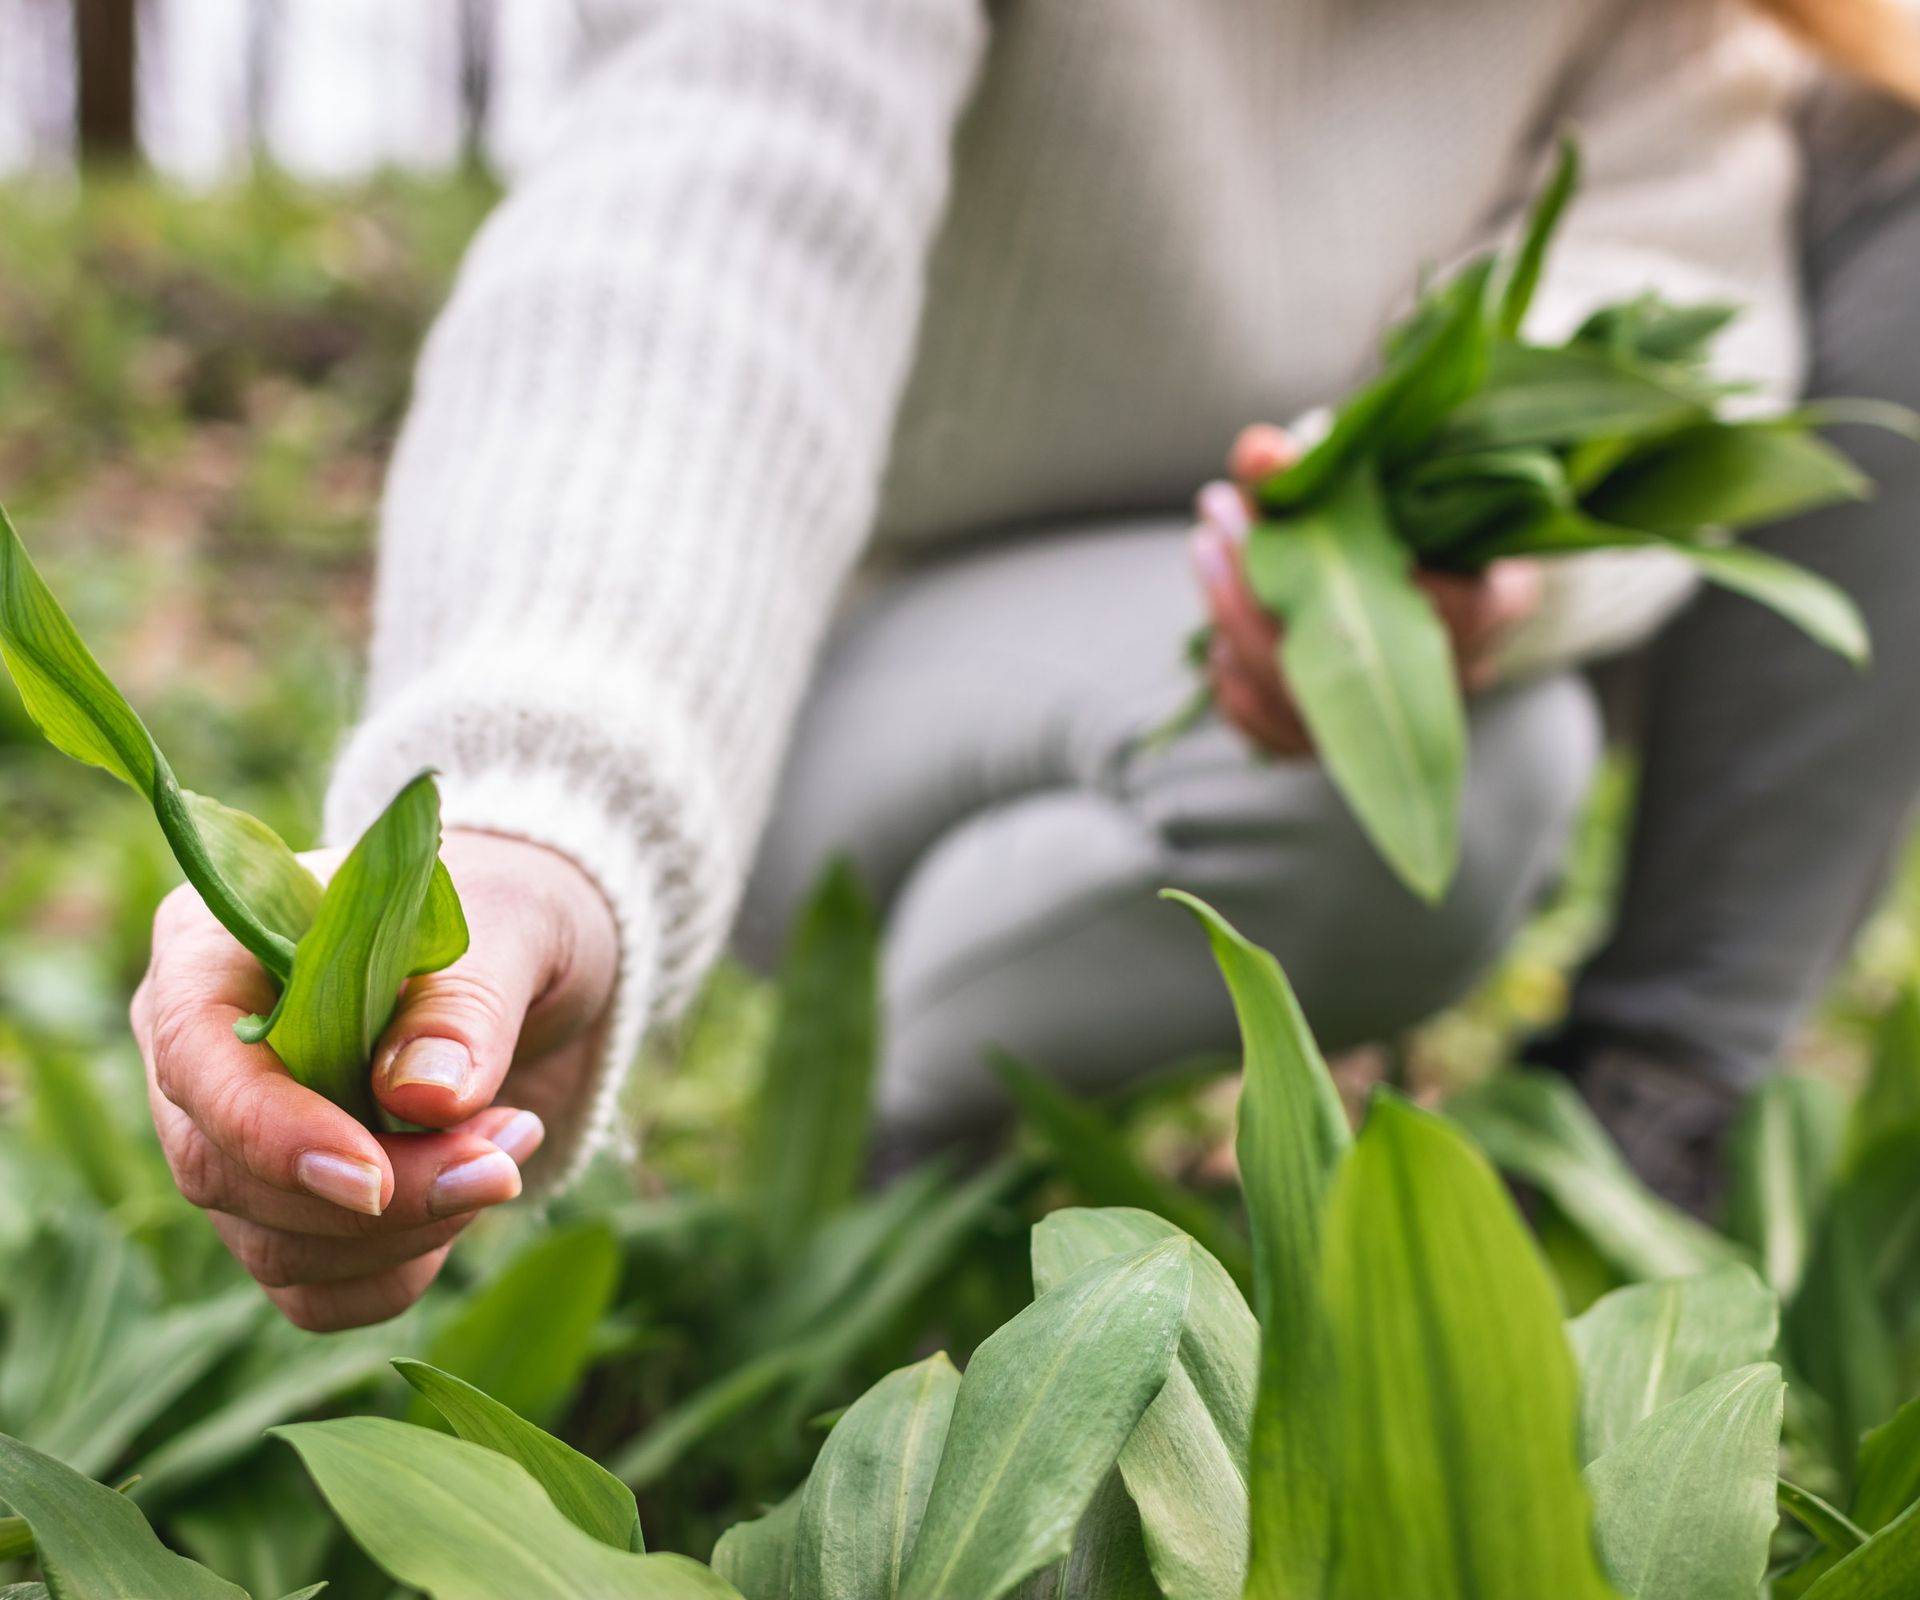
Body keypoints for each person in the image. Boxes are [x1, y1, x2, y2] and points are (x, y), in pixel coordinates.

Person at [130, 0, 1920, 1331]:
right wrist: (525, 815)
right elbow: (711, 198)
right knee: (1439, 794)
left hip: (1276, 609)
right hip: (866, 644)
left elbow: (1655, 274)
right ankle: (891, 1113)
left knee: (1443, 753)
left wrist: (1470, 539)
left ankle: (1657, 1116)